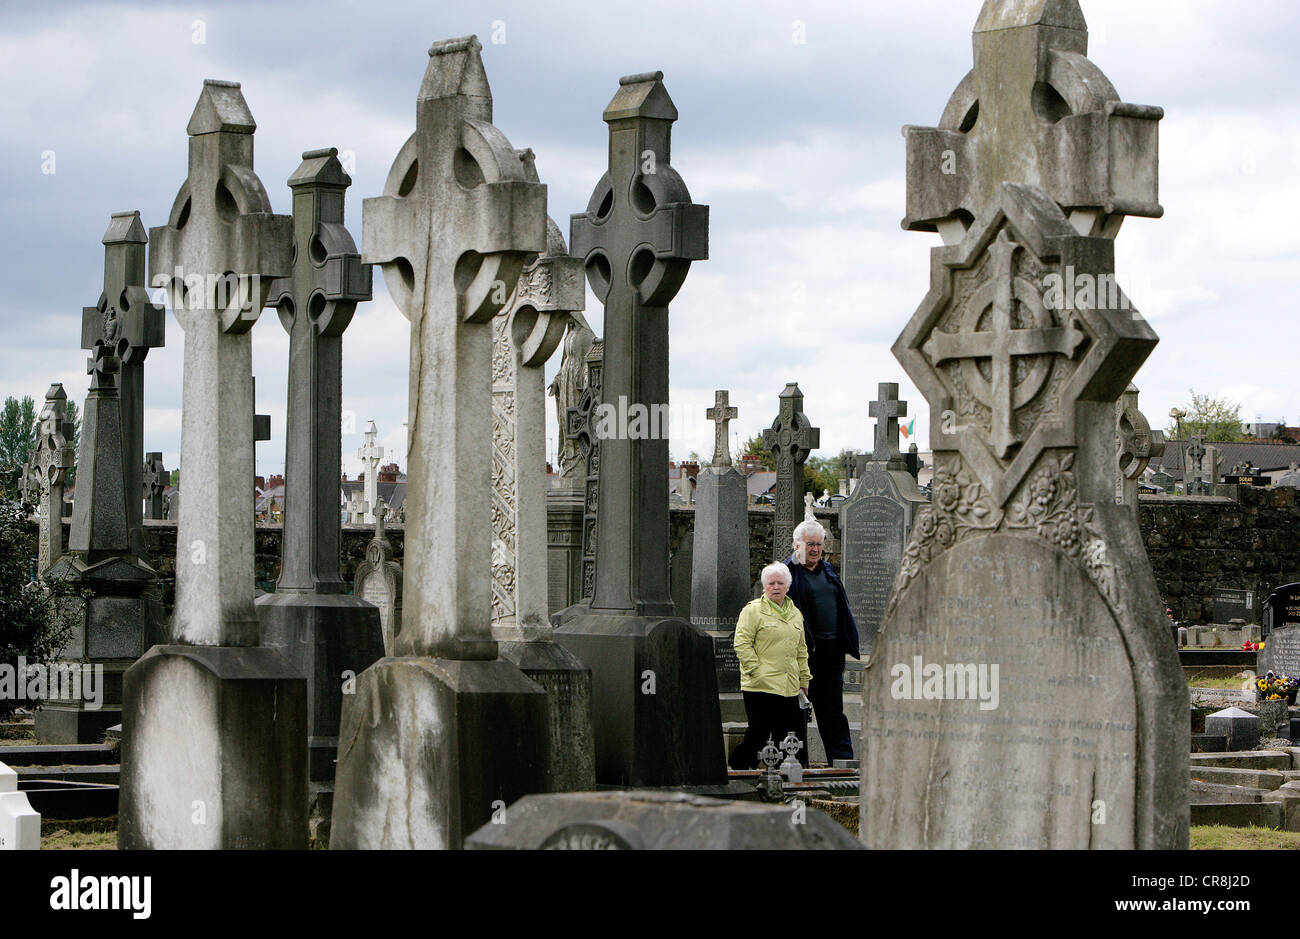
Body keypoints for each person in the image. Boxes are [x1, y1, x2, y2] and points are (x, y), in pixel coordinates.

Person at [785, 519, 859, 764]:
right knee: (797, 713)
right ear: (797, 546)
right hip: (802, 655)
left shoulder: (827, 570)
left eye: (818, 544)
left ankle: (842, 764)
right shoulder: (786, 574)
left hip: (831, 653)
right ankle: (797, 767)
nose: (815, 549)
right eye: (810, 544)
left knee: (833, 713)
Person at [729, 563, 811, 770]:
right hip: (760, 686)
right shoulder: (753, 611)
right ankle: (739, 769)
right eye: (771, 583)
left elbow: (801, 651)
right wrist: (757, 671)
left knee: (788, 736)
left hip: (789, 686)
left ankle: (787, 776)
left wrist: (804, 681)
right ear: (764, 586)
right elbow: (742, 644)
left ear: (787, 586)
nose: (775, 587)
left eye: (780, 583)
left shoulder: (796, 614)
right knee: (758, 733)